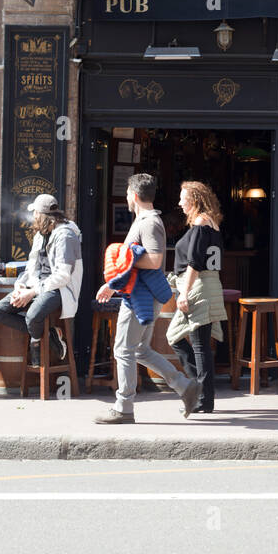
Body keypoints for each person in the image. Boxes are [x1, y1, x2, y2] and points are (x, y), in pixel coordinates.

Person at [93, 174, 200, 424]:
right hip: (142, 294)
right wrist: (114, 280)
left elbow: (154, 260)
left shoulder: (149, 223)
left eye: (129, 194)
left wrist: (121, 261)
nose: (127, 197)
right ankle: (185, 387)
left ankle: (123, 407)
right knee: (139, 349)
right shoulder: (145, 221)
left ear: (135, 195)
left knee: (123, 350)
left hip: (139, 296)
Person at [0, 193, 83, 368]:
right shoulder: (41, 234)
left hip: (60, 289)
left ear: (42, 215)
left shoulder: (66, 237)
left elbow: (63, 276)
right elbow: (32, 264)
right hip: (38, 286)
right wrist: (21, 285)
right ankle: (49, 335)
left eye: (35, 213)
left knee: (32, 317)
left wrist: (32, 292)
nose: (32, 217)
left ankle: (37, 341)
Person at [167, 180, 228, 415]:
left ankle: (203, 397)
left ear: (194, 200)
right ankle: (200, 391)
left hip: (198, 287)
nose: (179, 203)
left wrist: (184, 292)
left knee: (199, 345)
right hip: (208, 285)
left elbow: (194, 262)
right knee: (180, 338)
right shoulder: (211, 224)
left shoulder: (201, 224)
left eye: (183, 198)